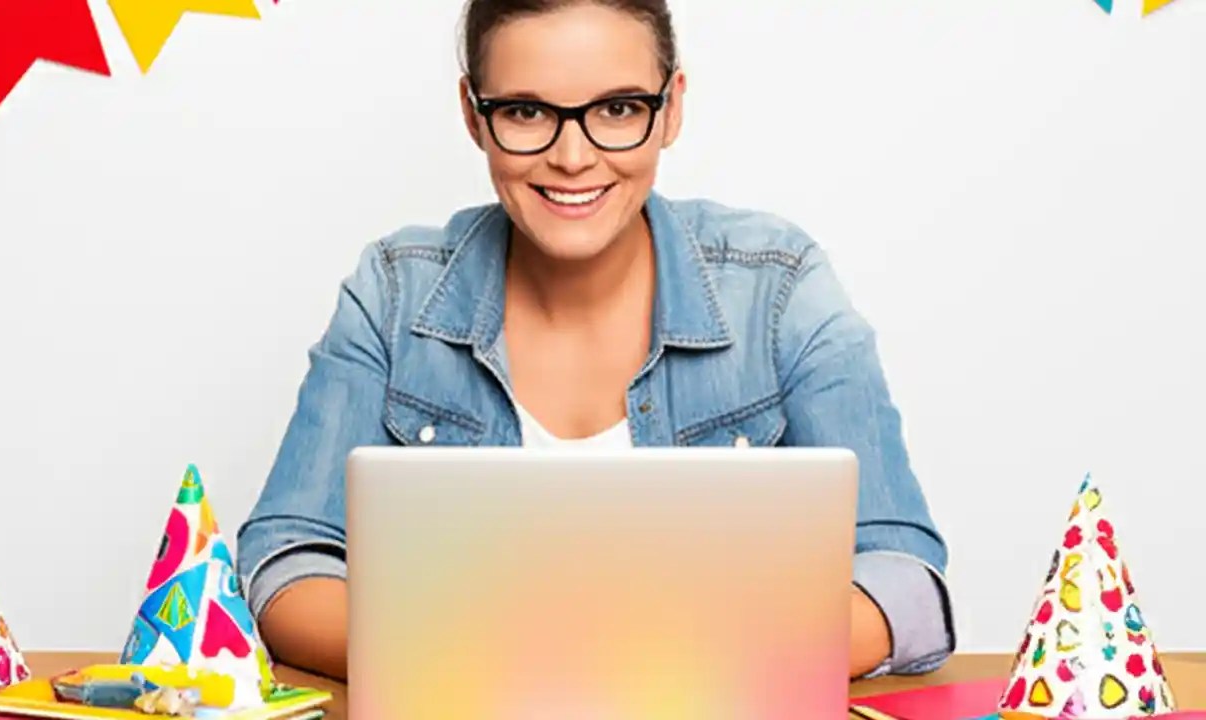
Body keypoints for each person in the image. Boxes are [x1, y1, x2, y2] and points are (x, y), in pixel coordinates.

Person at [236, 0, 954, 683]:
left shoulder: (778, 288)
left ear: (670, 108)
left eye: (617, 109)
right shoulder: (394, 292)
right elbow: (286, 561)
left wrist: (661, 666)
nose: (573, 157)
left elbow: (905, 580)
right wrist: (499, 663)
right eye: (525, 111)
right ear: (473, 115)